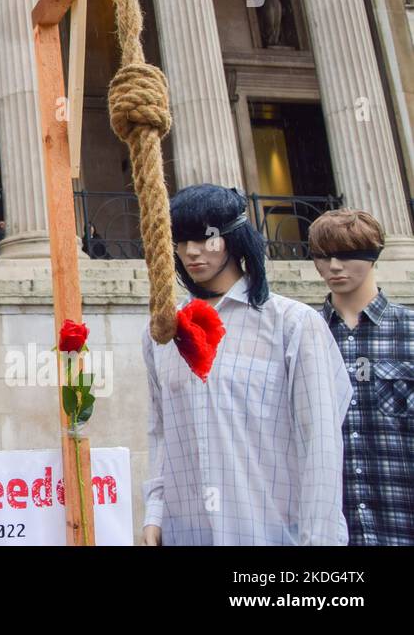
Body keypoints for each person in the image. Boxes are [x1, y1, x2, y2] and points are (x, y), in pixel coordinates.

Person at [143, 185, 351, 546]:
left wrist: (320, 540)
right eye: (181, 240)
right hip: (185, 532)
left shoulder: (292, 324)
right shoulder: (162, 335)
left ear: (234, 237)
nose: (192, 252)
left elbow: (321, 441)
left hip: (269, 533)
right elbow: (161, 431)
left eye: (205, 238)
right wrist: (155, 513)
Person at [309, 208, 414, 546]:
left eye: (346, 255)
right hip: (330, 529)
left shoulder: (409, 331)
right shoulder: (303, 336)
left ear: (372, 255)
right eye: (323, 257)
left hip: (399, 520)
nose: (333, 266)